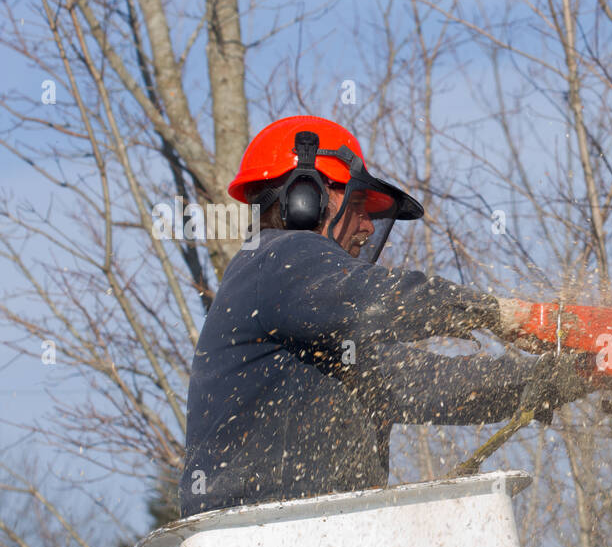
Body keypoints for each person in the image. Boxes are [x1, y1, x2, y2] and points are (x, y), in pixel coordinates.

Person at [180, 115, 588, 517]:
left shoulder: (320, 332)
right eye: (358, 207)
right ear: (305, 198)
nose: (368, 228)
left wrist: (557, 376)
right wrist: (498, 314)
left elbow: (431, 384)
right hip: (259, 541)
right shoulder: (281, 257)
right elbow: (381, 301)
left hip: (309, 543)